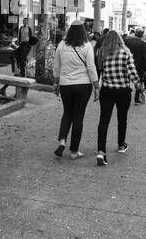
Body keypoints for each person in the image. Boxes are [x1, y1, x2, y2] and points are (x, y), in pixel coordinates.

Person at [52, 18, 97, 160]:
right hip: (83, 85)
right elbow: (91, 67)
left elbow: (57, 66)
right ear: (83, 31)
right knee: (78, 116)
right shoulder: (87, 46)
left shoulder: (61, 45)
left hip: (65, 85)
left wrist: (56, 83)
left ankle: (62, 141)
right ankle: (74, 151)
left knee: (67, 113)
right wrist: (96, 86)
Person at [95, 29, 140, 165]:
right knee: (122, 118)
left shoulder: (102, 53)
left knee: (104, 120)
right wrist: (139, 85)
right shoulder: (125, 53)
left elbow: (100, 69)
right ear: (120, 40)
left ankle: (101, 151)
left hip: (107, 90)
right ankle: (121, 144)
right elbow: (132, 72)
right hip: (123, 91)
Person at [124, 28, 146, 104]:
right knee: (139, 81)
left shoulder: (127, 41)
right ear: (142, 35)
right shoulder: (143, 44)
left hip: (127, 64)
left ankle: (125, 97)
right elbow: (145, 57)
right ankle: (136, 99)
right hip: (139, 65)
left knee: (126, 81)